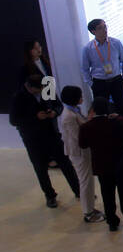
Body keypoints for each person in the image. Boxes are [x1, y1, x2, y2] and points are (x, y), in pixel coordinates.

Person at [11, 75, 80, 210]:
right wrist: (34, 117)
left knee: (65, 163)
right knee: (40, 168)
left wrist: (54, 112)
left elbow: (58, 105)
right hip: (33, 138)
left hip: (51, 133)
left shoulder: (46, 88)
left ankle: (78, 190)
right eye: (38, 89)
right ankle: (50, 196)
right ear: (29, 87)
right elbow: (14, 120)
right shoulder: (18, 98)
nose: (41, 91)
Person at [79, 96, 123, 229]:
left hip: (102, 166)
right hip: (120, 164)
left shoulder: (87, 126)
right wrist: (119, 117)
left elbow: (82, 145)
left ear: (93, 109)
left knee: (107, 195)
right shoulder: (117, 122)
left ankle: (112, 222)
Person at [58, 86, 102, 222]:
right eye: (80, 96)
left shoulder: (73, 111)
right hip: (79, 153)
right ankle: (88, 212)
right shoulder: (68, 116)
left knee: (87, 180)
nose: (82, 98)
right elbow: (78, 136)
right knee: (85, 181)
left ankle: (90, 207)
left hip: (83, 151)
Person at [80, 19, 123, 118]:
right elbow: (85, 69)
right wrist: (91, 84)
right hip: (99, 83)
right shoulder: (88, 48)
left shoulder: (116, 43)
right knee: (102, 112)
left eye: (105, 26)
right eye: (100, 28)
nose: (104, 30)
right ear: (93, 32)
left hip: (117, 80)